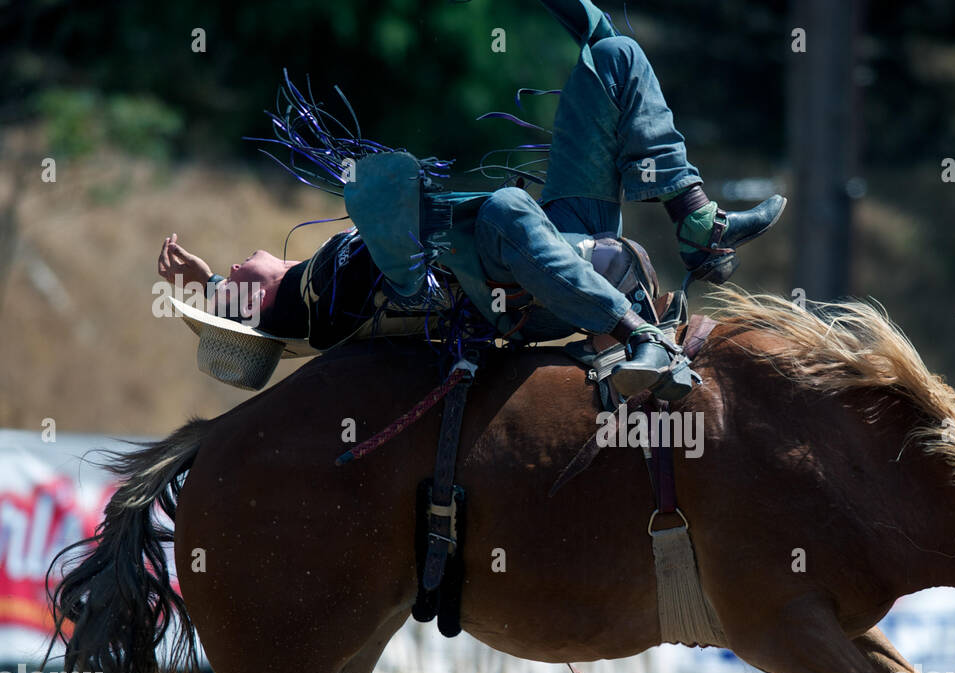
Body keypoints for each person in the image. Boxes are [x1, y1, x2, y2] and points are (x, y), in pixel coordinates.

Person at [157, 0, 786, 400]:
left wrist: (204, 279)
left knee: (614, 53)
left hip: (550, 245)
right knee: (503, 210)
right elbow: (277, 315)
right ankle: (634, 333)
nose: (235, 265)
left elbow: (250, 308)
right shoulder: (318, 308)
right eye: (234, 282)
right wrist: (215, 291)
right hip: (515, 291)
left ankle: (697, 218)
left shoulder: (316, 283)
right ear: (258, 301)